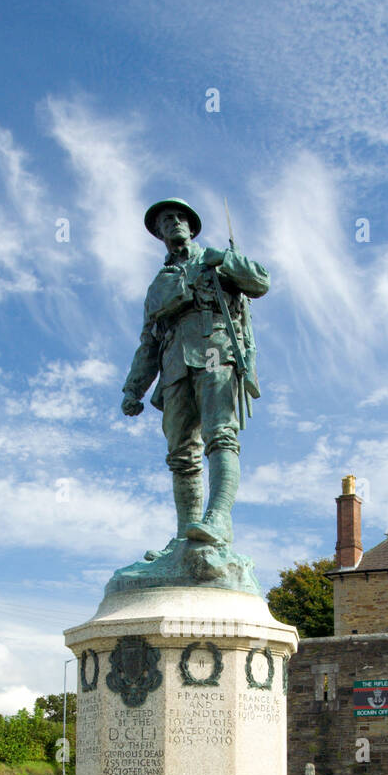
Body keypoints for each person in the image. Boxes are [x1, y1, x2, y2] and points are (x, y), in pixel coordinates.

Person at [121, 198, 269, 551]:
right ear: (158, 233)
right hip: (173, 366)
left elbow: (260, 281)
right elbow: (148, 341)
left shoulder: (216, 262)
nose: (172, 223)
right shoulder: (158, 284)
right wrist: (134, 389)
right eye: (164, 221)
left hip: (216, 351)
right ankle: (187, 535)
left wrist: (227, 260)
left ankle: (217, 519)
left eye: (178, 217)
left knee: (221, 436)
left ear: (191, 225)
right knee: (181, 455)